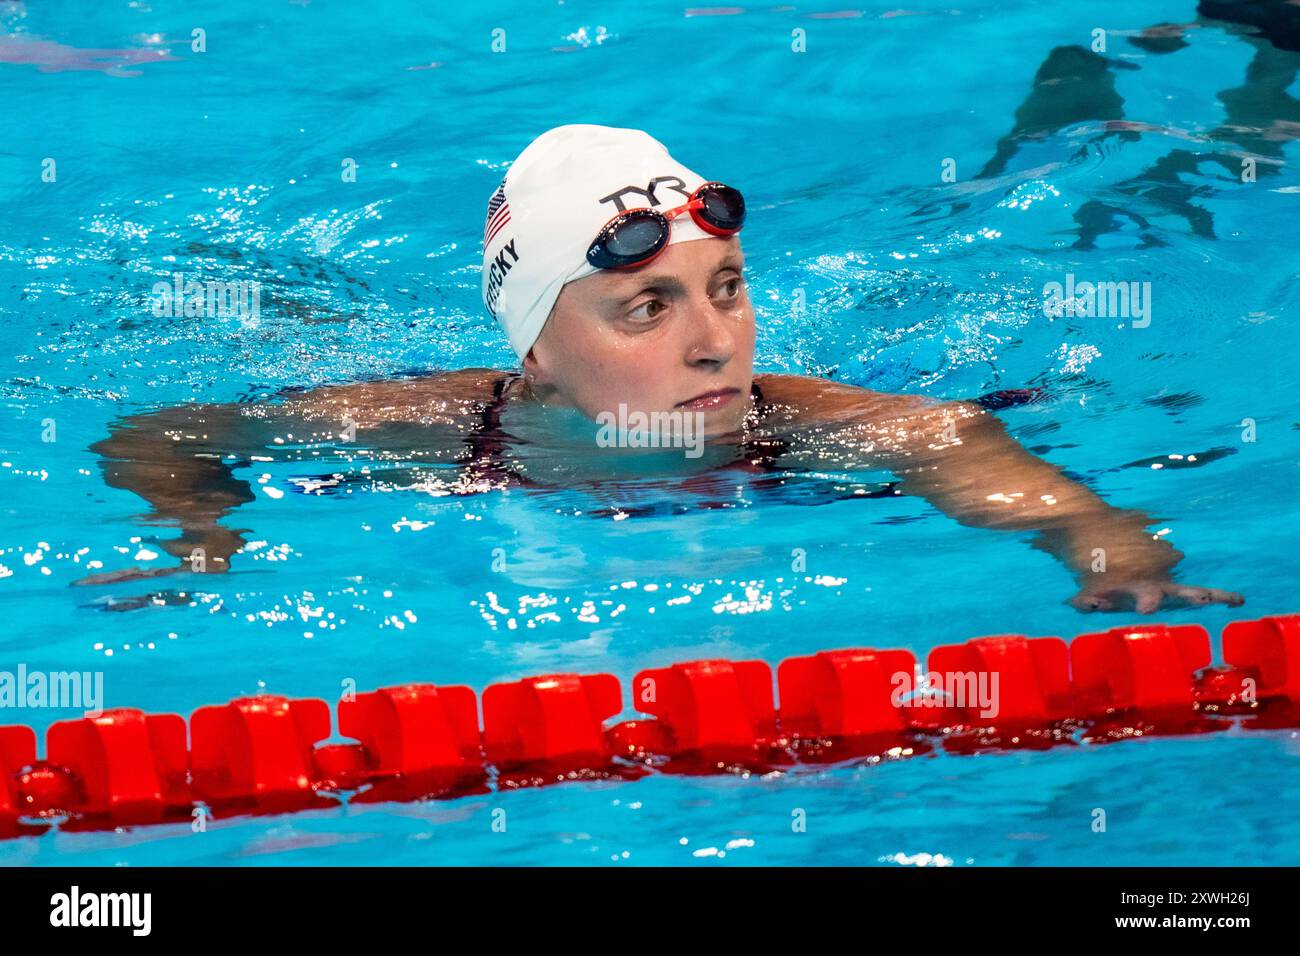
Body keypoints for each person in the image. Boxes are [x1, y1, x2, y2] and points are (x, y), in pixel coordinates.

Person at [85, 124, 1244, 614]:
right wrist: (194, 531)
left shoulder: (816, 423)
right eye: (648, 306)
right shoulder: (427, 425)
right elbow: (158, 433)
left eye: (727, 289)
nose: (714, 341)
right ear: (534, 349)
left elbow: (970, 454)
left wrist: (1109, 552)